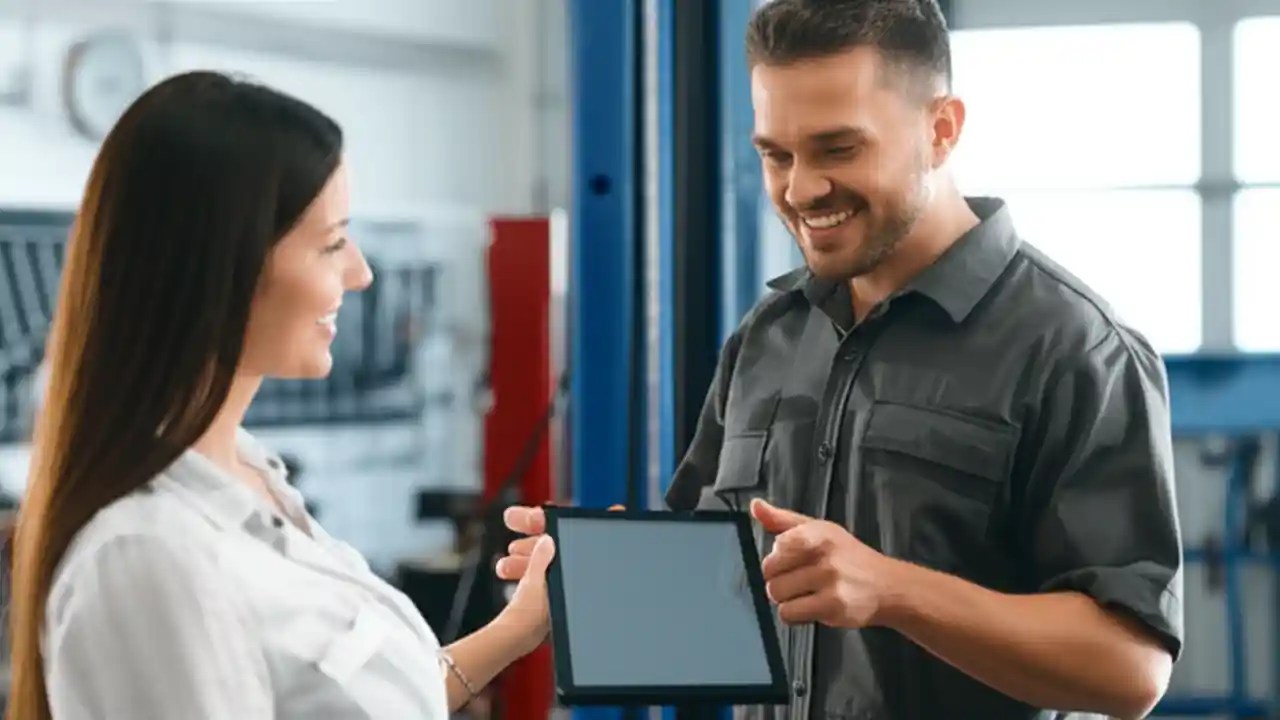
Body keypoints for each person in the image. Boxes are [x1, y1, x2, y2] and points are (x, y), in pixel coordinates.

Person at [497, 0, 1182, 718]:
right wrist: (597, 584)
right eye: (775, 154)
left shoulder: (1075, 348)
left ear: (941, 129)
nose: (800, 190)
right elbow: (721, 604)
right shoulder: (769, 335)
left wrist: (894, 591)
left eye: (838, 148)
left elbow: (1129, 667)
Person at [5, 70, 557, 720]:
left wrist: (522, 625)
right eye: (330, 245)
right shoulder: (149, 558)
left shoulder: (249, 481)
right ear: (224, 269)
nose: (360, 272)